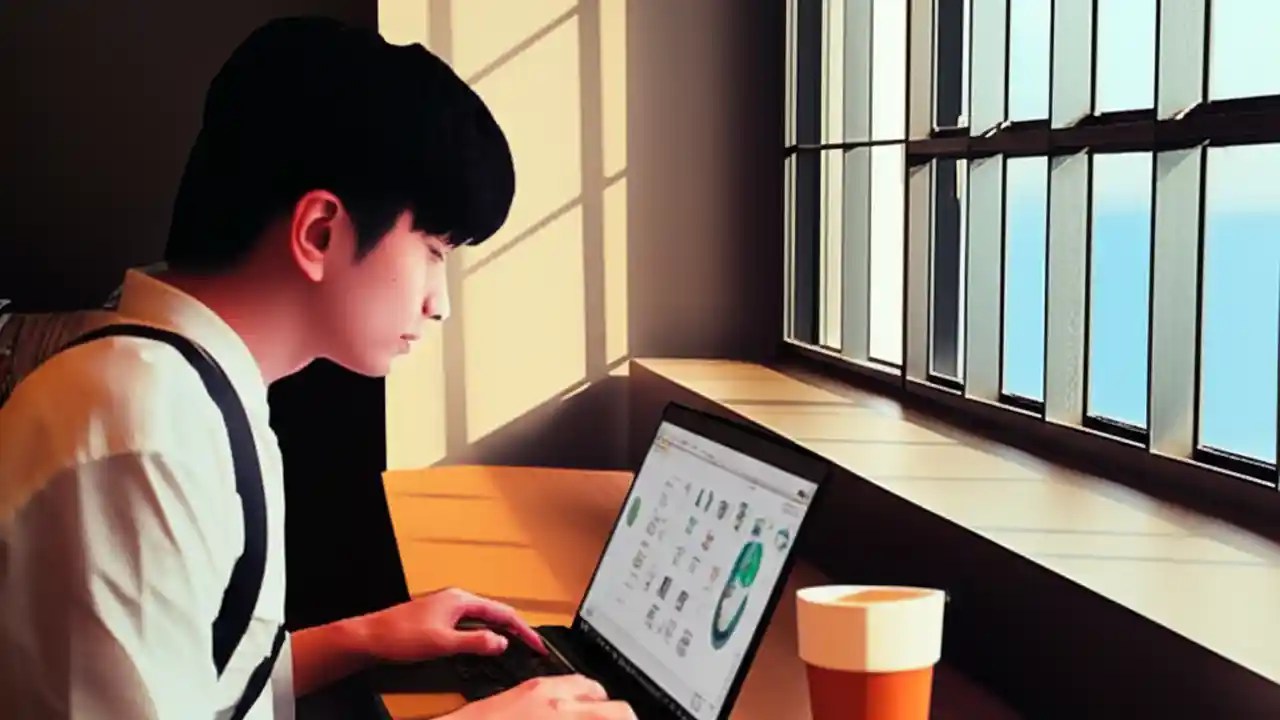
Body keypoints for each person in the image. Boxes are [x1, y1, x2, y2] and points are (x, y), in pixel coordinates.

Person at [0, 16, 634, 720]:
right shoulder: (145, 431)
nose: (439, 303)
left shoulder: (193, 390)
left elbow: (201, 681)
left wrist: (361, 638)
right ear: (320, 233)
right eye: (433, 250)